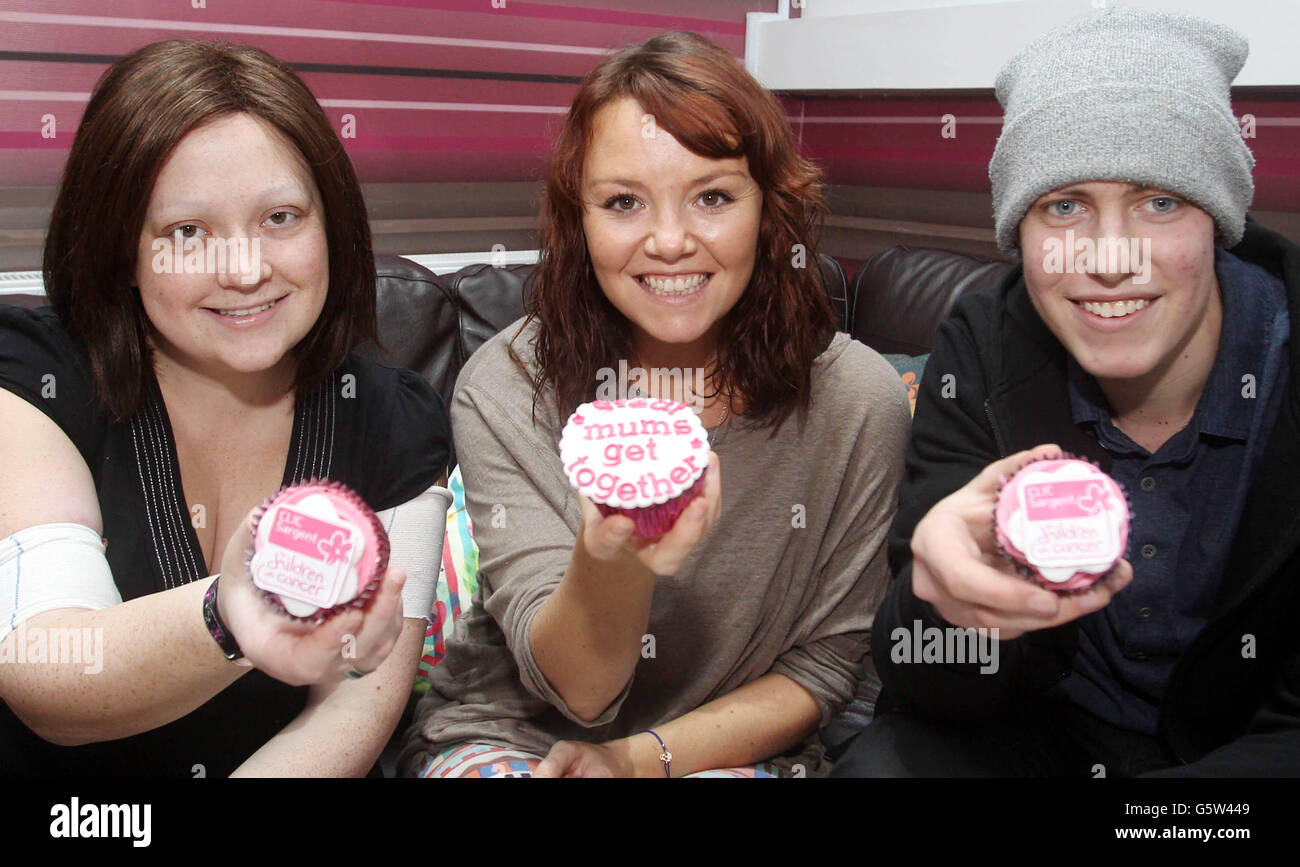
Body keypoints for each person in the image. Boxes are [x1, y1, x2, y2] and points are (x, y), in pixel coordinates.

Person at [401, 31, 910, 778]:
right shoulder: (508, 383)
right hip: (516, 740)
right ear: (578, 220)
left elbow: (825, 668)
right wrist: (616, 557)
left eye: (712, 197)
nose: (669, 241)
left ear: (769, 212)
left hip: (725, 748)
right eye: (622, 202)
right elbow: (577, 691)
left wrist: (639, 762)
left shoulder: (858, 400)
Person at [832, 7, 1299, 777]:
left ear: (1217, 220)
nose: (1109, 257)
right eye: (1064, 206)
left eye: (1159, 201)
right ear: (1020, 229)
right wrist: (940, 596)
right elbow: (929, 691)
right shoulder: (983, 344)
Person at [0, 40, 451, 777]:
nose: (245, 270)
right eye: (187, 232)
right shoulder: (34, 381)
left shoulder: (392, 420)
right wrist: (232, 613)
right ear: (121, 249)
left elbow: (354, 705)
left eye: (281, 218)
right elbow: (44, 666)